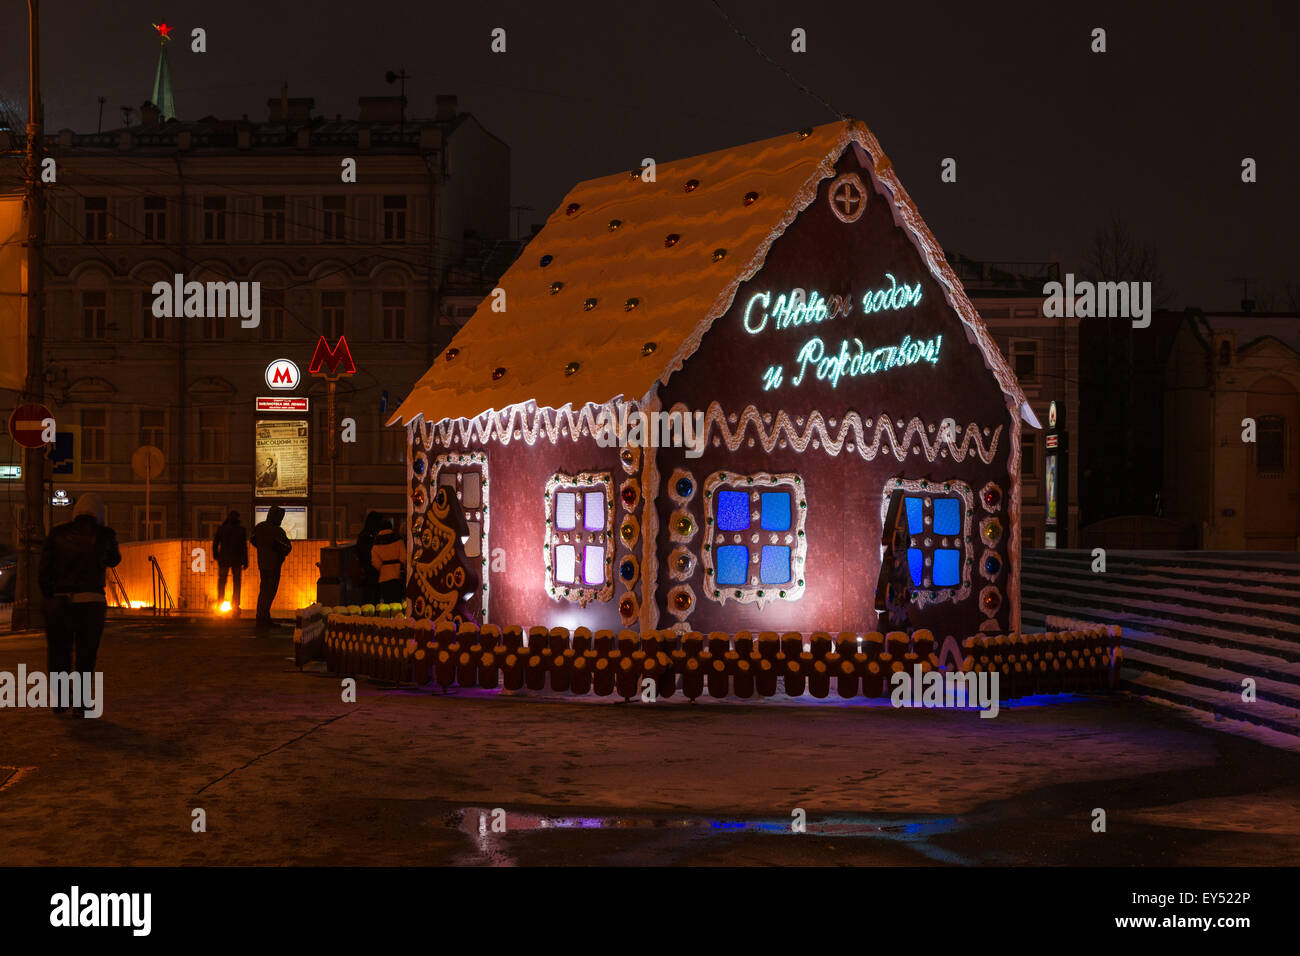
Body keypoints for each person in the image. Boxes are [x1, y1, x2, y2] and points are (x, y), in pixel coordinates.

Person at [38, 492, 121, 716]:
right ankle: (82, 705)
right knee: (86, 656)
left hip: (59, 602)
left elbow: (44, 571)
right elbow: (114, 559)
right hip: (91, 602)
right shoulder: (105, 534)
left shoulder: (57, 534)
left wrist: (50, 596)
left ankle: (61, 701)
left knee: (59, 653)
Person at [251, 504, 292, 630]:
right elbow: (287, 547)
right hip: (274, 564)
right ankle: (264, 618)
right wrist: (278, 552)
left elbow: (252, 540)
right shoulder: (277, 531)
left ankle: (261, 617)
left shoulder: (259, 527)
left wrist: (263, 549)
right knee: (270, 592)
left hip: (262, 563)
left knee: (263, 591)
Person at [212, 510, 248, 614]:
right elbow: (243, 547)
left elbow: (215, 543)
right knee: (236, 583)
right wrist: (245, 561)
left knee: (222, 582)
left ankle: (220, 603)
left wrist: (216, 555)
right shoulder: (241, 530)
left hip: (224, 559)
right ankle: (235, 605)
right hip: (236, 560)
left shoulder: (222, 529)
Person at [370, 518, 408, 604]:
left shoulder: (376, 542)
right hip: (397, 575)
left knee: (387, 602)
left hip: (384, 576)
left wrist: (383, 568)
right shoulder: (398, 539)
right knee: (398, 601)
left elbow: (375, 562)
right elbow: (403, 557)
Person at [354, 510, 387, 604]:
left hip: (371, 572)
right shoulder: (367, 536)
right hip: (369, 573)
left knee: (373, 597)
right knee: (370, 599)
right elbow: (366, 554)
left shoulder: (367, 535)